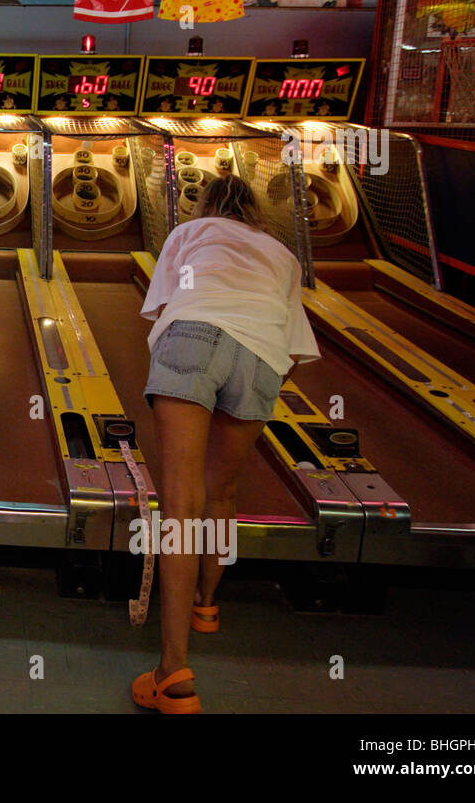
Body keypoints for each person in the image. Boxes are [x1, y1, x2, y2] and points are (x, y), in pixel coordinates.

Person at [132, 176, 320, 713]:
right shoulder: (283, 254)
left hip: (194, 334)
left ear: (207, 205)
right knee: (222, 491)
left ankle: (173, 671)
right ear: (256, 212)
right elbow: (294, 346)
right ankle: (207, 605)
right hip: (262, 354)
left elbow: (164, 304)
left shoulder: (189, 231)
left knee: (181, 505)